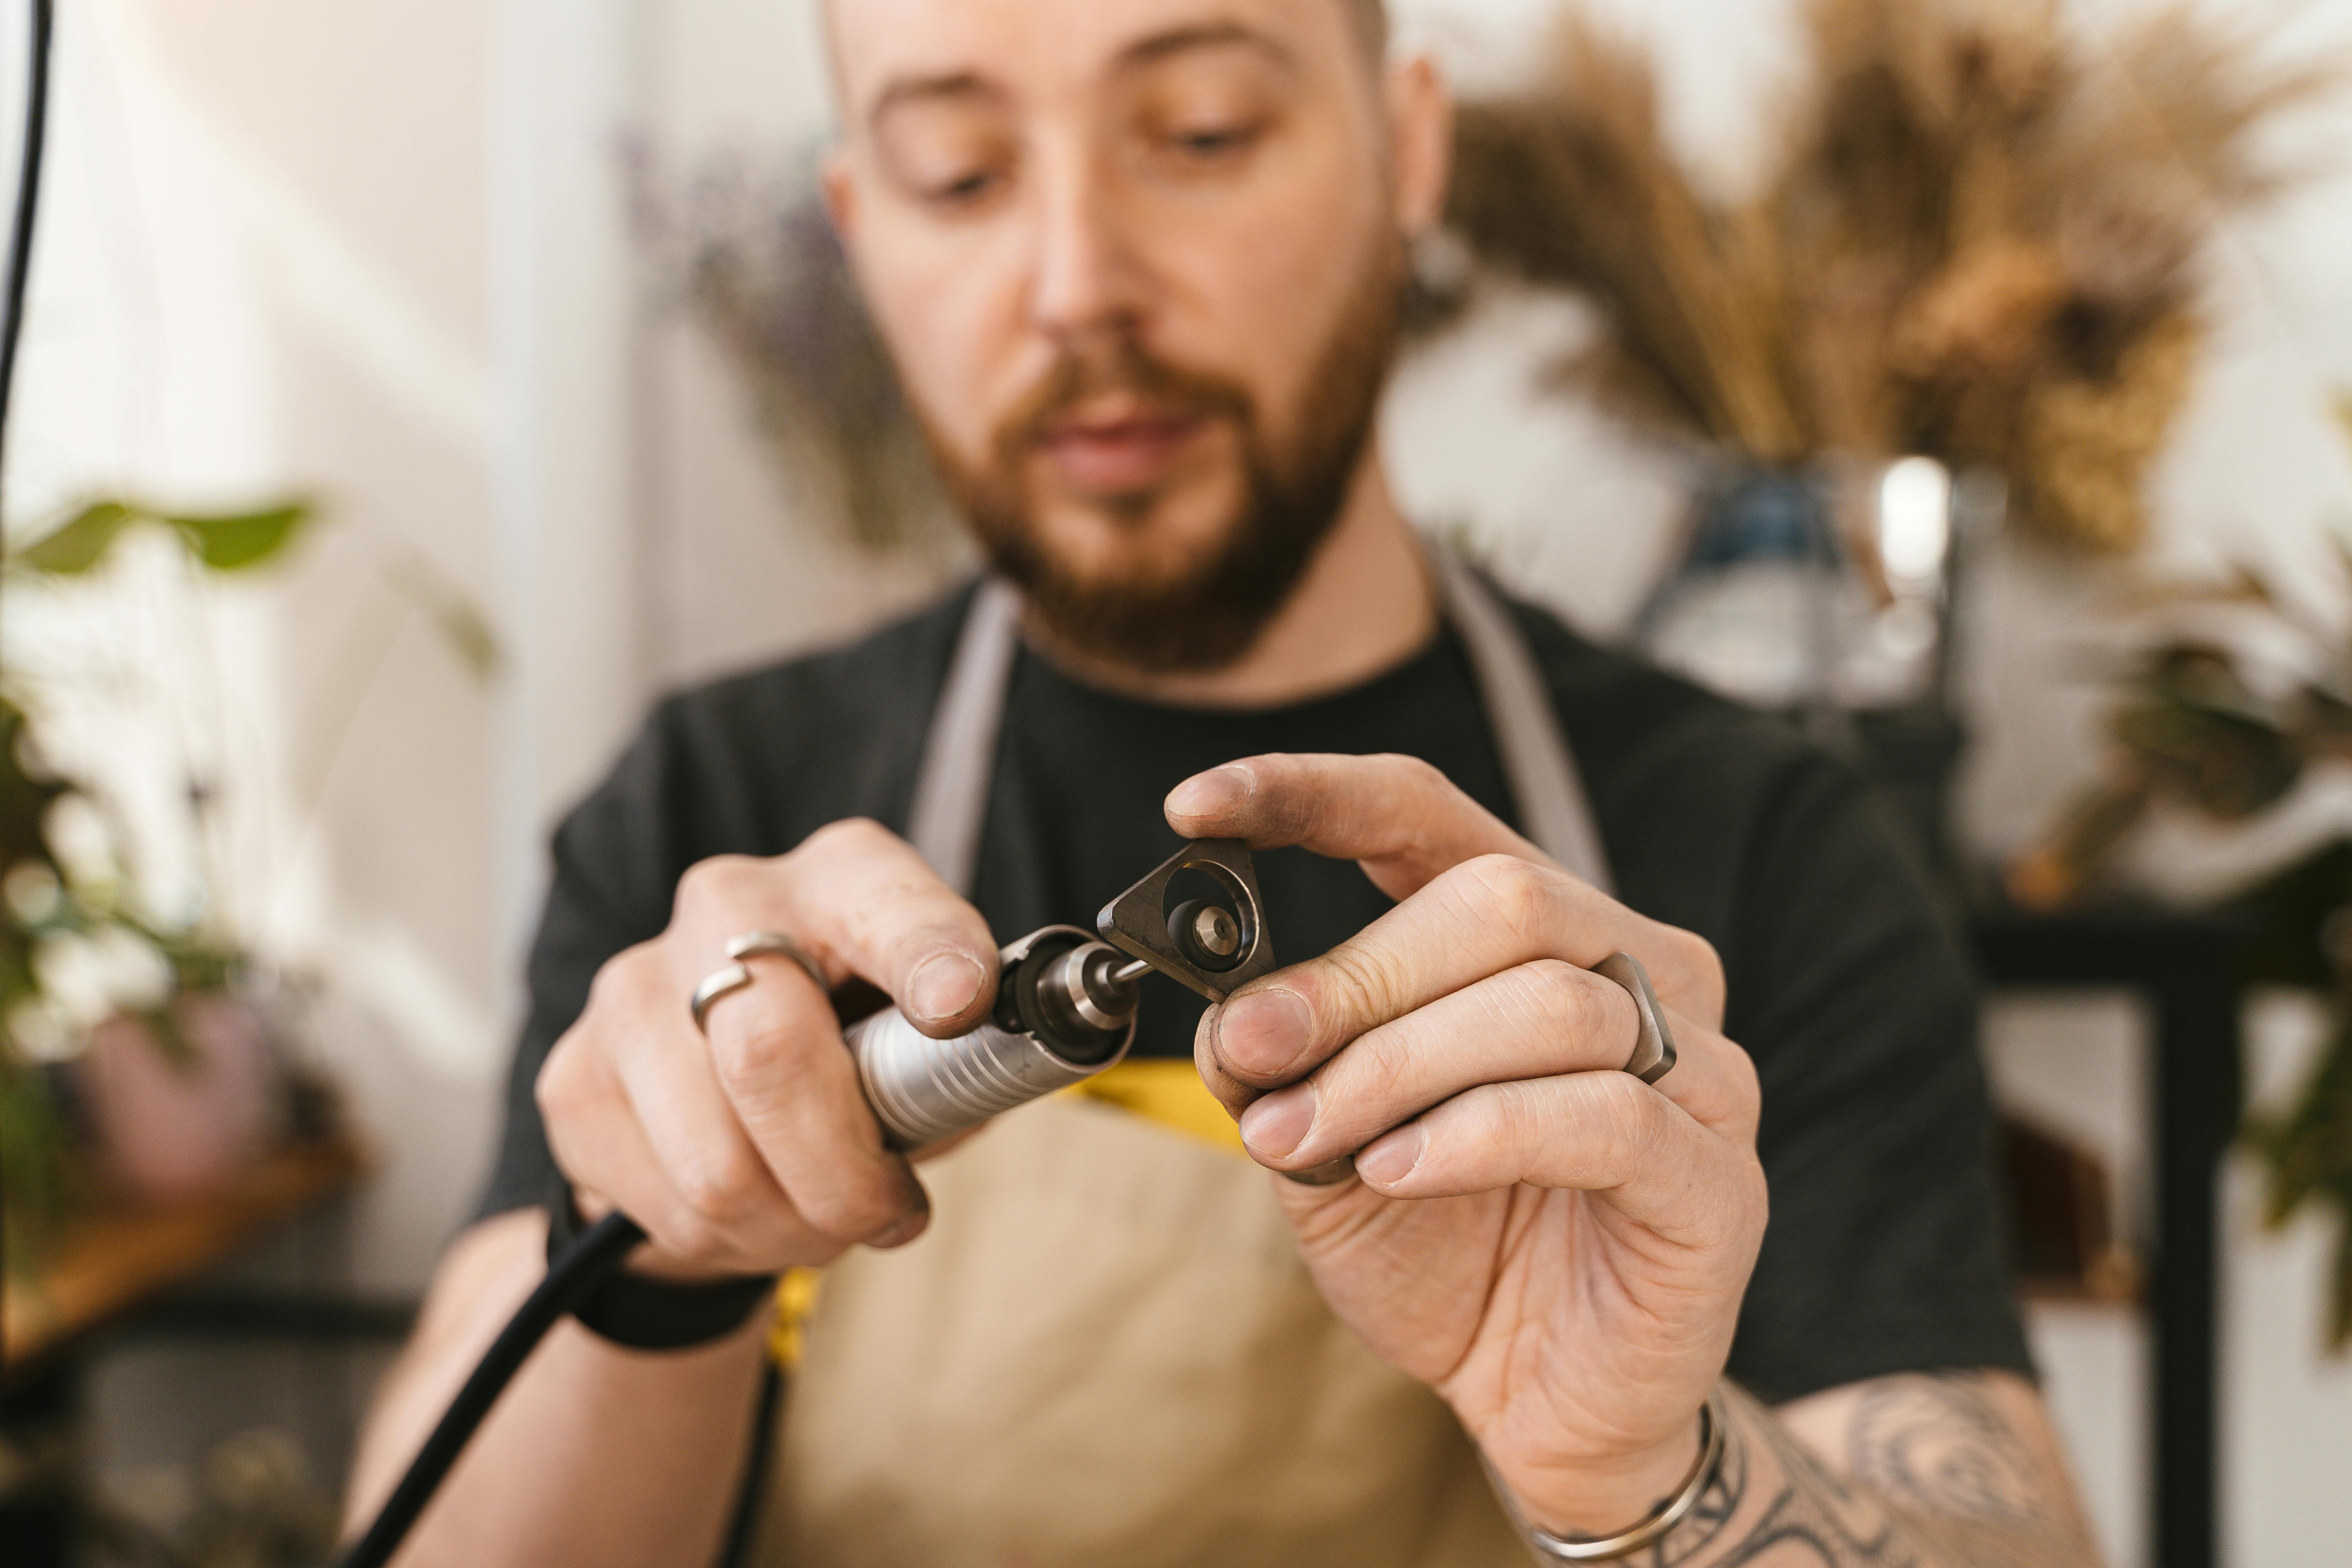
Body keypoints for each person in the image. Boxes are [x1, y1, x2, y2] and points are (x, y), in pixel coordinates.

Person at [347, 0, 2103, 1563]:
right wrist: (655, 1265)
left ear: (1405, 153)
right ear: (860, 231)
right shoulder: (711, 815)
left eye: (1200, 136)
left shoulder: (1755, 840)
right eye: (960, 174)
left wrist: (1646, 1466)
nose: (1079, 278)